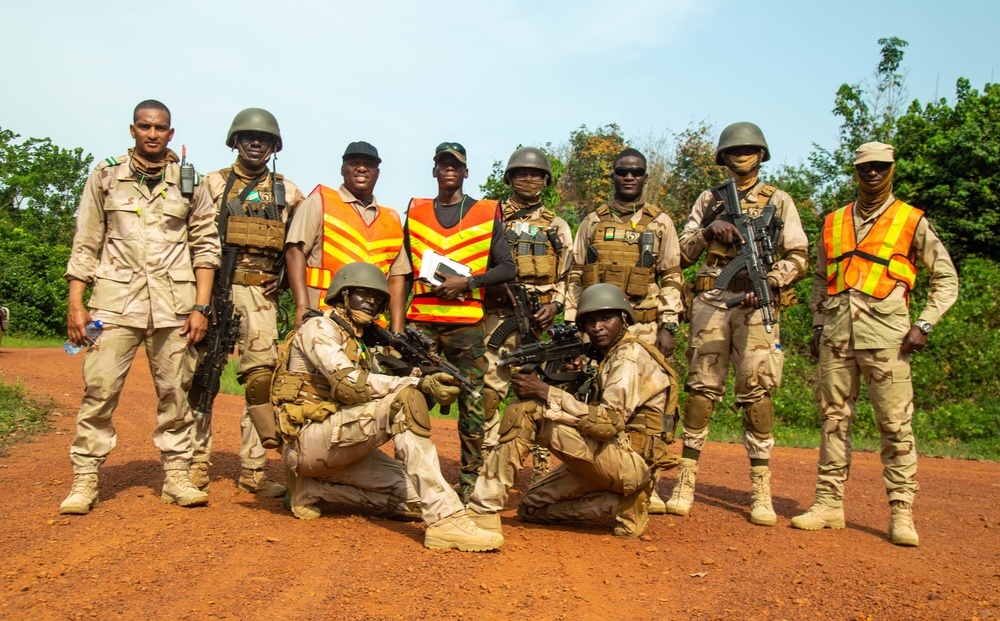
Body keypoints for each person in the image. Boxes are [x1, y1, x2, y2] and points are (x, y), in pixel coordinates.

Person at [791, 142, 958, 546]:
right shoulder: (833, 221)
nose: (873, 174)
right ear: (855, 171)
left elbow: (946, 279)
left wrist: (924, 324)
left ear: (892, 169)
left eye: (881, 167)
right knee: (832, 419)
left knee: (895, 425)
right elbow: (821, 279)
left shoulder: (910, 219)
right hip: (837, 336)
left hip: (889, 339)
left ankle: (901, 512)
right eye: (865, 168)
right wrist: (817, 325)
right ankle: (829, 504)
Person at [60, 100, 220, 514]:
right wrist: (76, 303)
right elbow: (86, 242)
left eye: (160, 128)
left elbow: (205, 247)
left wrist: (201, 306)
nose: (152, 134)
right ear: (133, 130)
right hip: (114, 304)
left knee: (177, 394)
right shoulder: (106, 175)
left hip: (174, 306)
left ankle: (177, 475)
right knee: (100, 390)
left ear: (171, 133)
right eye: (145, 127)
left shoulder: (190, 182)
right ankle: (85, 478)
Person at [274, 262, 504, 551]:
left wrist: (423, 375)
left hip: (339, 446)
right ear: (343, 295)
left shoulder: (358, 342)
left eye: (377, 298)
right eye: (363, 294)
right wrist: (417, 384)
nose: (371, 302)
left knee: (417, 500)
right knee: (406, 400)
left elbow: (376, 388)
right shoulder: (319, 327)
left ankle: (314, 489)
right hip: (307, 442)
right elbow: (350, 383)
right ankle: (445, 520)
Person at [666, 122, 809, 526]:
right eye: (734, 150)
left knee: (757, 391)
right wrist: (709, 229)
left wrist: (771, 281)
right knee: (700, 389)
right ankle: (685, 483)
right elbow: (681, 252)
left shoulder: (779, 200)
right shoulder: (709, 199)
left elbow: (798, 255)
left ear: (761, 154)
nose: (742, 155)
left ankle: (761, 490)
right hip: (712, 299)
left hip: (756, 304)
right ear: (723, 157)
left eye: (749, 149)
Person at [467, 283, 678, 539]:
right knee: (532, 507)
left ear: (624, 318)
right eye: (590, 321)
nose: (597, 327)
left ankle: (483, 509)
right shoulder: (607, 356)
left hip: (630, 461)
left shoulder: (628, 357)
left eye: (606, 318)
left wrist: (544, 391)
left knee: (528, 410)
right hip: (613, 456)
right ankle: (621, 504)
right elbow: (589, 412)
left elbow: (607, 423)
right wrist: (572, 381)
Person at [389, 142, 515, 502]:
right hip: (420, 323)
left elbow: (507, 268)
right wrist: (395, 324)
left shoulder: (486, 212)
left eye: (455, 165)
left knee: (472, 401)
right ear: (434, 171)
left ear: (465, 172)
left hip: (466, 325)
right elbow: (401, 270)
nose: (449, 169)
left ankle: (470, 481)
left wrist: (469, 282)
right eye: (443, 164)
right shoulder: (416, 211)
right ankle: (406, 477)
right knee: (410, 396)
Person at [189, 108, 306, 497]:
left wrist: (286, 282)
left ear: (274, 146)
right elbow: (190, 234)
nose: (256, 143)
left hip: (260, 296)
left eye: (264, 139)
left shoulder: (289, 192)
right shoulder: (211, 183)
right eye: (248, 137)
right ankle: (195, 462)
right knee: (203, 377)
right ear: (235, 141)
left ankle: (253, 470)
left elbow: (303, 244)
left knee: (260, 381)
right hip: (215, 289)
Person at [564, 146, 684, 513]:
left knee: (647, 408)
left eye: (636, 172)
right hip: (595, 328)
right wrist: (572, 325)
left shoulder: (660, 223)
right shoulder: (592, 222)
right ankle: (598, 473)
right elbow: (575, 275)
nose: (629, 177)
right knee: (594, 400)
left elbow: (671, 275)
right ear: (613, 175)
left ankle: (648, 481)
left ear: (645, 177)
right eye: (622, 171)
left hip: (643, 327)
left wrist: (669, 323)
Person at [481, 146, 573, 482]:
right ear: (510, 178)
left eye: (535, 174)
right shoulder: (490, 218)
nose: (529, 179)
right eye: (521, 173)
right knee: (490, 388)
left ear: (545, 180)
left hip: (540, 320)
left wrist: (556, 305)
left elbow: (569, 275)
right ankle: (487, 459)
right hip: (498, 315)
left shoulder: (557, 225)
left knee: (539, 389)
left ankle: (541, 465)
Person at [285, 141, 405, 329]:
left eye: (369, 164)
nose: (362, 168)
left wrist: (397, 331)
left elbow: (397, 278)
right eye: (354, 163)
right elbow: (294, 252)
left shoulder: (391, 219)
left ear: (378, 172)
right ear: (343, 169)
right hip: (323, 317)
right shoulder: (319, 203)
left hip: (371, 325)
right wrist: (302, 307)